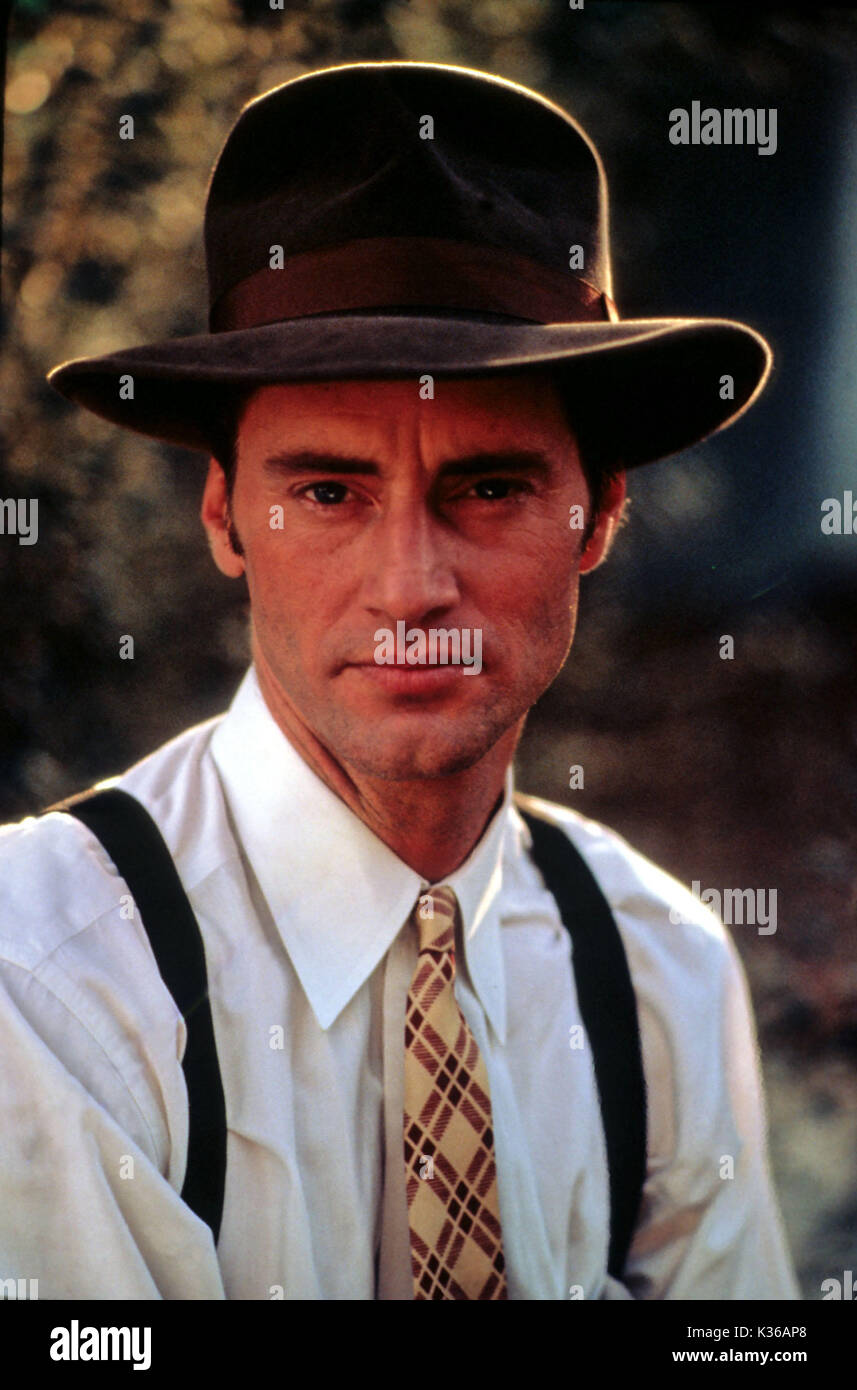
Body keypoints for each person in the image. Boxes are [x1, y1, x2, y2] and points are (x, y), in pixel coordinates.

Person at [0, 60, 798, 1300]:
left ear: (595, 517)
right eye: (327, 492)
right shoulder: (44, 971)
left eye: (487, 487)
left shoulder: (660, 970)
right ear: (226, 517)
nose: (409, 584)